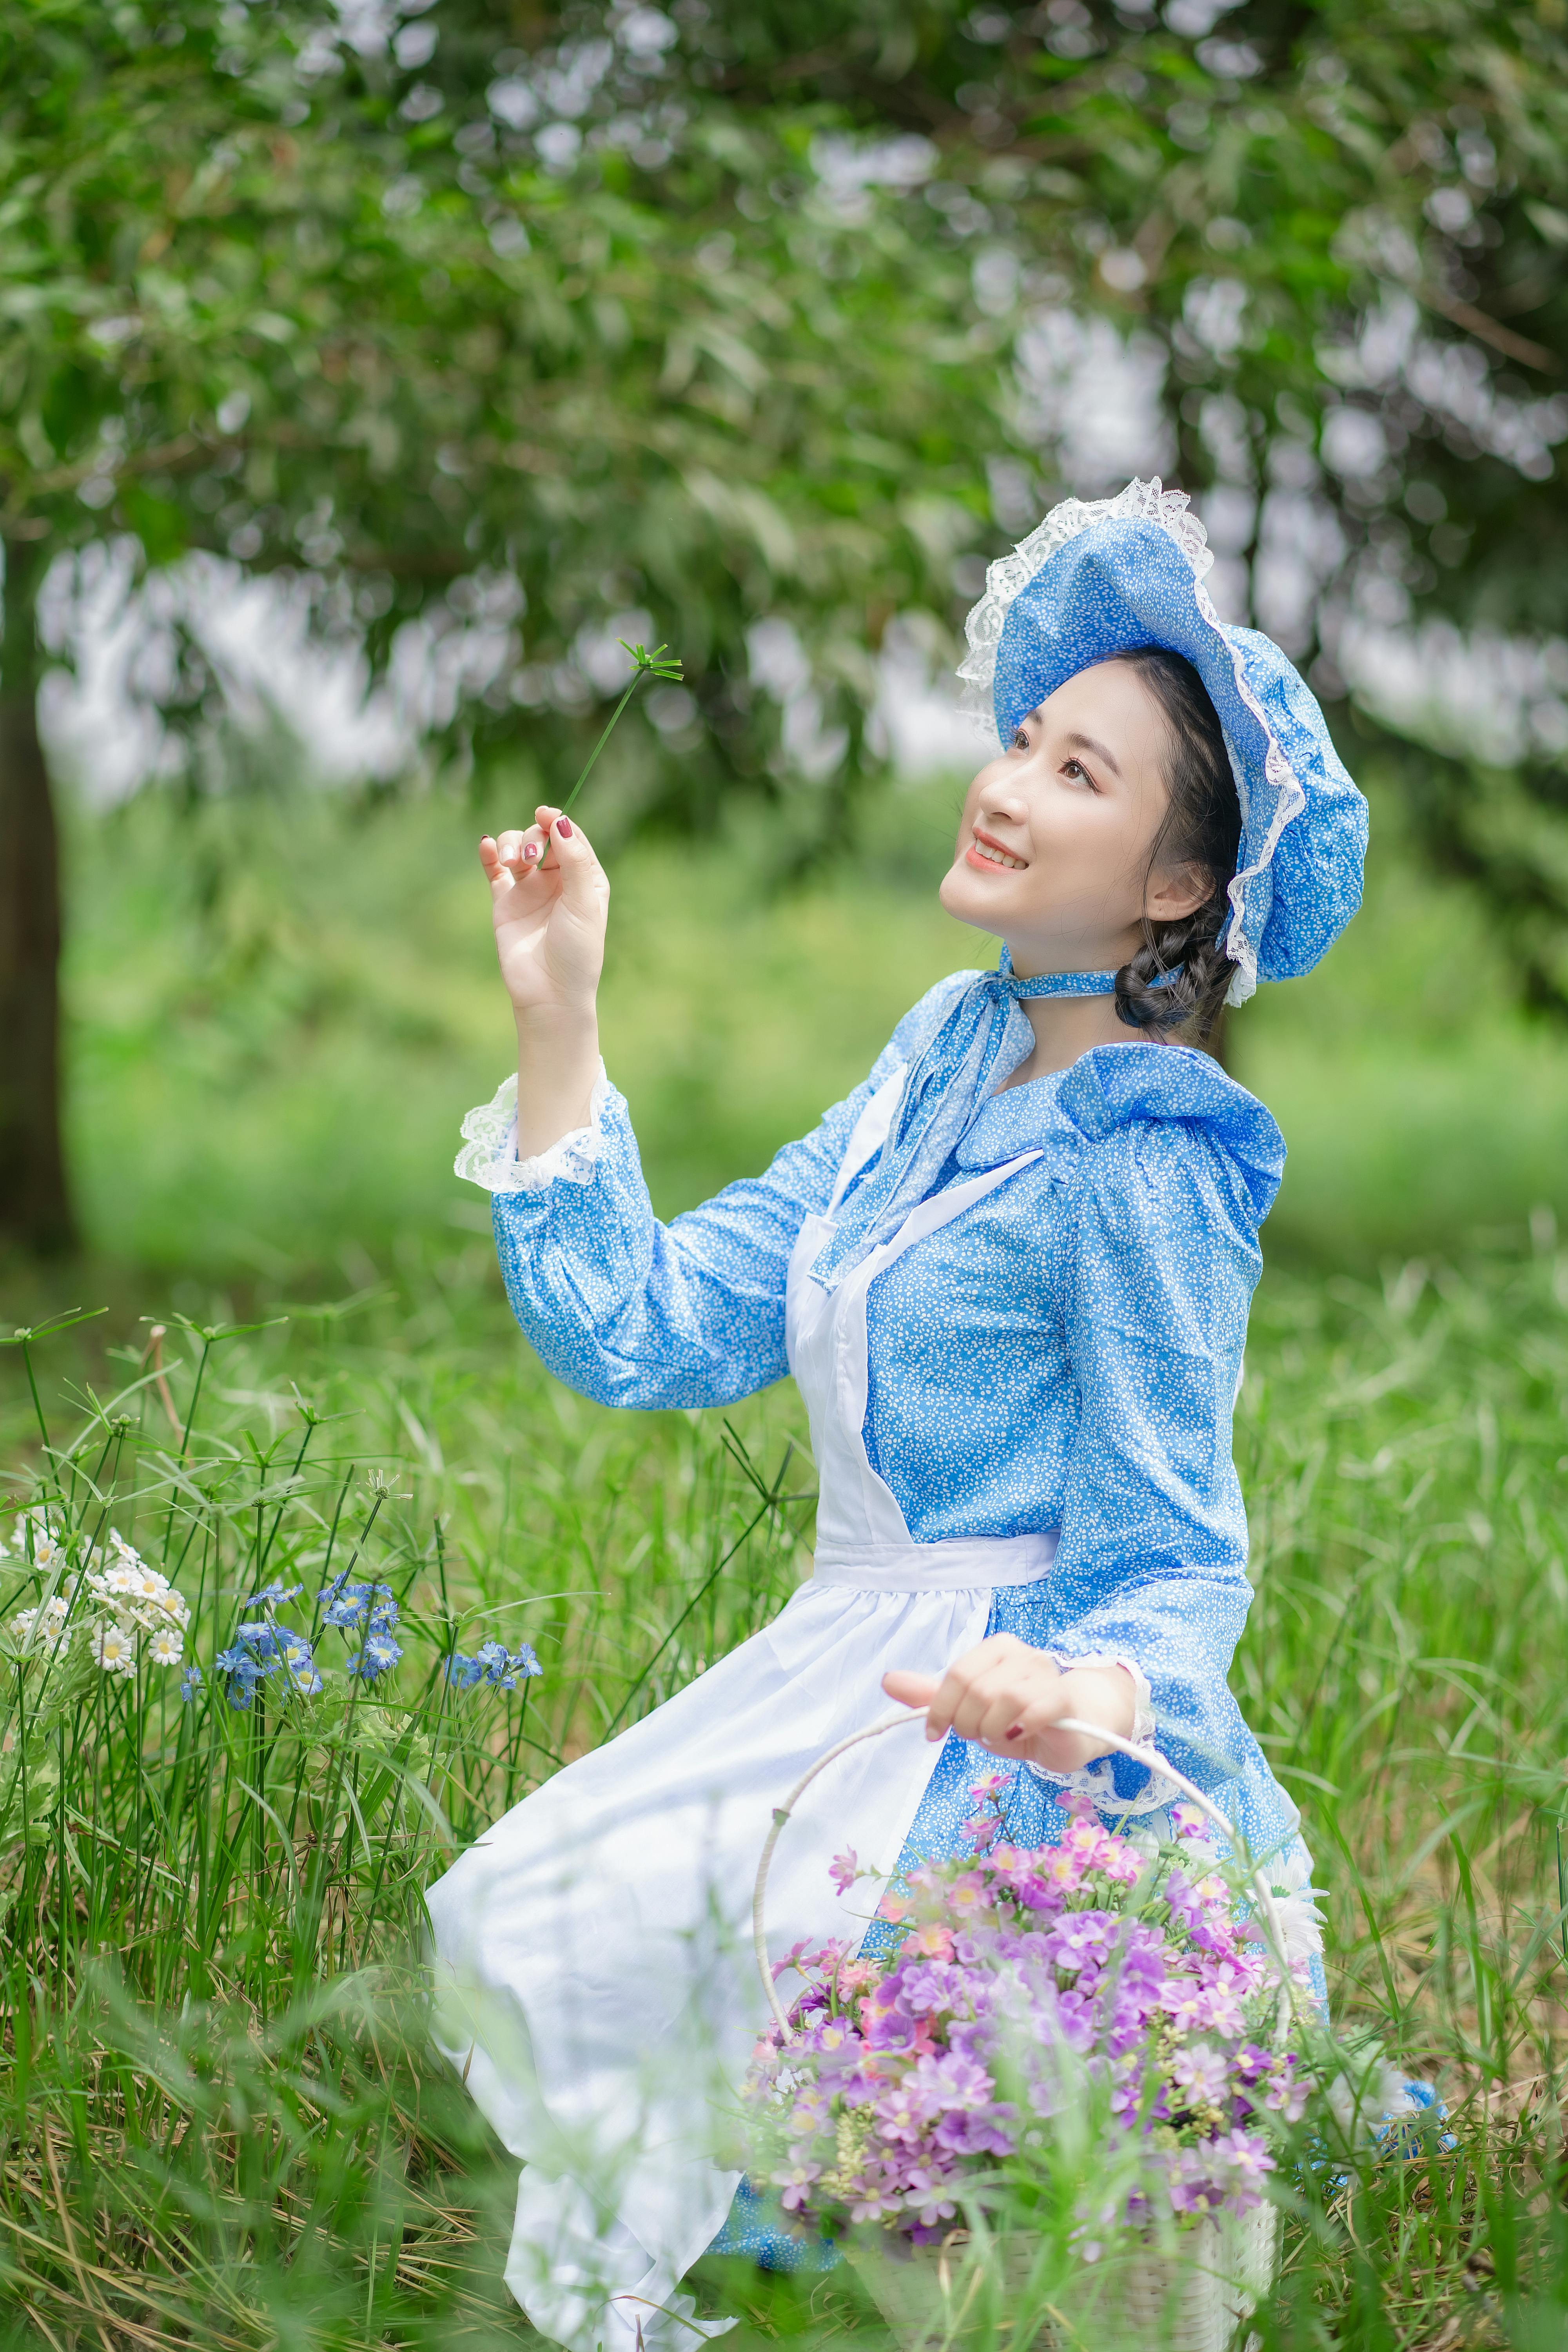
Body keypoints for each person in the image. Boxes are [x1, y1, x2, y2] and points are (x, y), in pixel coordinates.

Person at [425, 477, 1369, 2352]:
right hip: (837, 1667)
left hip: (1016, 1706)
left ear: (1178, 884)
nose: (1008, 784)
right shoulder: (936, 1057)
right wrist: (560, 1017)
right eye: (1022, 740)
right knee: (525, 1911)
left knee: (923, 2139)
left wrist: (1092, 1694)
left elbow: (1172, 1540)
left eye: (1081, 775)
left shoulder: (1150, 1151)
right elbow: (657, 1329)